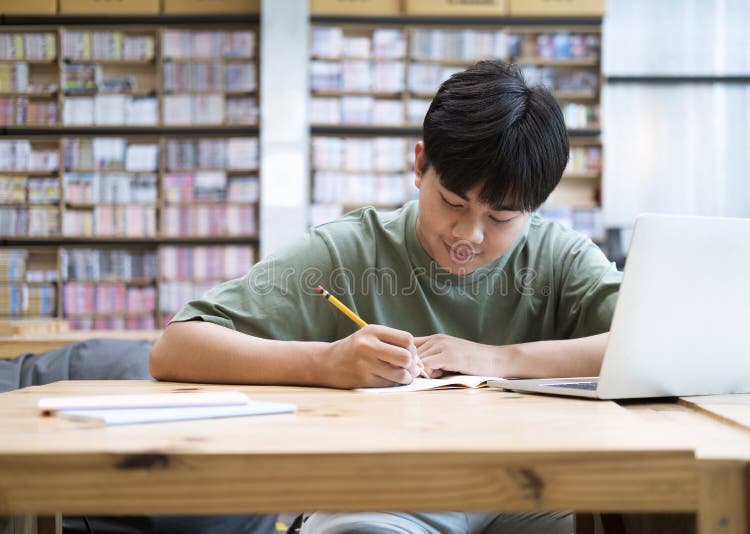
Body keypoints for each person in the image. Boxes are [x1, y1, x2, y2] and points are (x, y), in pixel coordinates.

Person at [150, 60, 622, 534]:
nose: (469, 234)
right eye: (453, 202)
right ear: (419, 165)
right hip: (381, 490)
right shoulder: (347, 250)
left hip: (528, 487)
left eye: (500, 218)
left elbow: (653, 347)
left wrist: (499, 360)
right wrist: (324, 363)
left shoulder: (560, 257)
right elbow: (176, 347)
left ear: (536, 206)